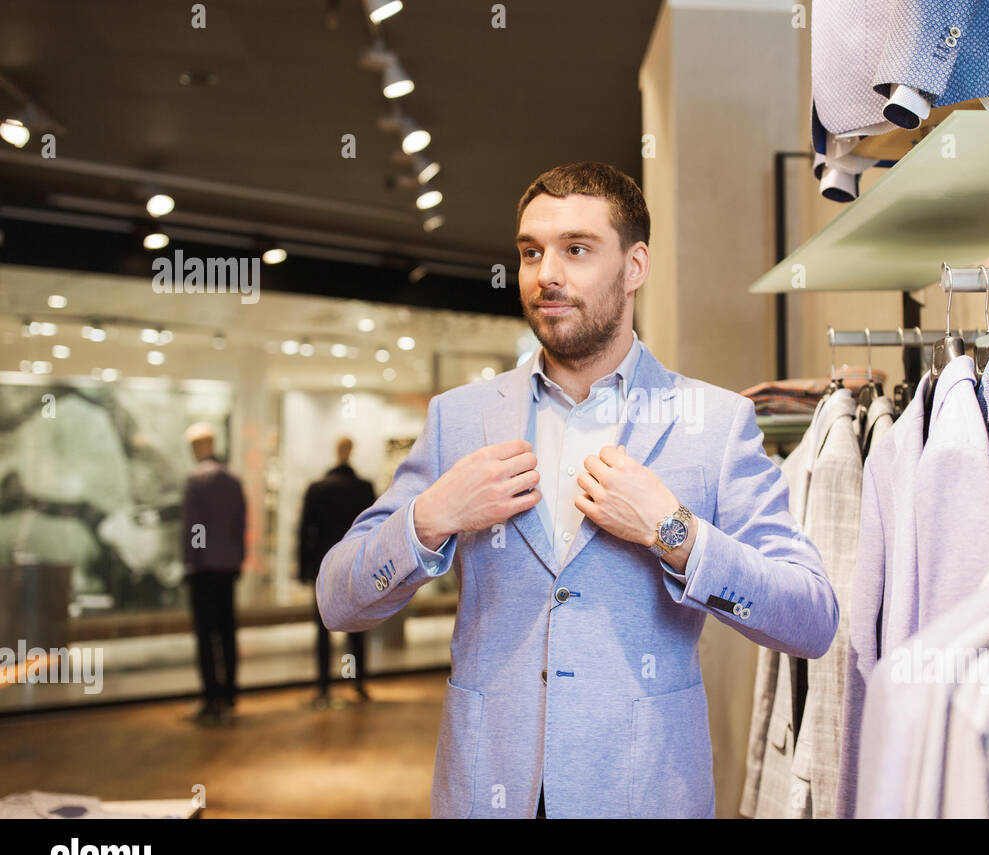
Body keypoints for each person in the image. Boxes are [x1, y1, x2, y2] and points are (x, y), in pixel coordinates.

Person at [317, 162, 838, 818]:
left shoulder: (714, 424)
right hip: (489, 793)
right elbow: (338, 600)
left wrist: (673, 532)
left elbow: (811, 620)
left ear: (635, 266)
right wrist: (429, 518)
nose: (546, 275)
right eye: (531, 252)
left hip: (643, 793)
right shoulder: (460, 418)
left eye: (577, 250)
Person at [298, 437, 377, 708]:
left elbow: (306, 532)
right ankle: (356, 682)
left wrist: (304, 569)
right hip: (354, 565)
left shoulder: (318, 489)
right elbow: (373, 531)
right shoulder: (363, 489)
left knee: (322, 629)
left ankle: (323, 686)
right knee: (356, 626)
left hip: (325, 567)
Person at [179, 422, 246, 727]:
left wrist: (194, 559)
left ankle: (211, 697)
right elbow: (240, 524)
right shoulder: (233, 480)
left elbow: (196, 529)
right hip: (227, 566)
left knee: (206, 636)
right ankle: (230, 693)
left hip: (205, 568)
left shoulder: (196, 480)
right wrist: (235, 558)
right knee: (227, 631)